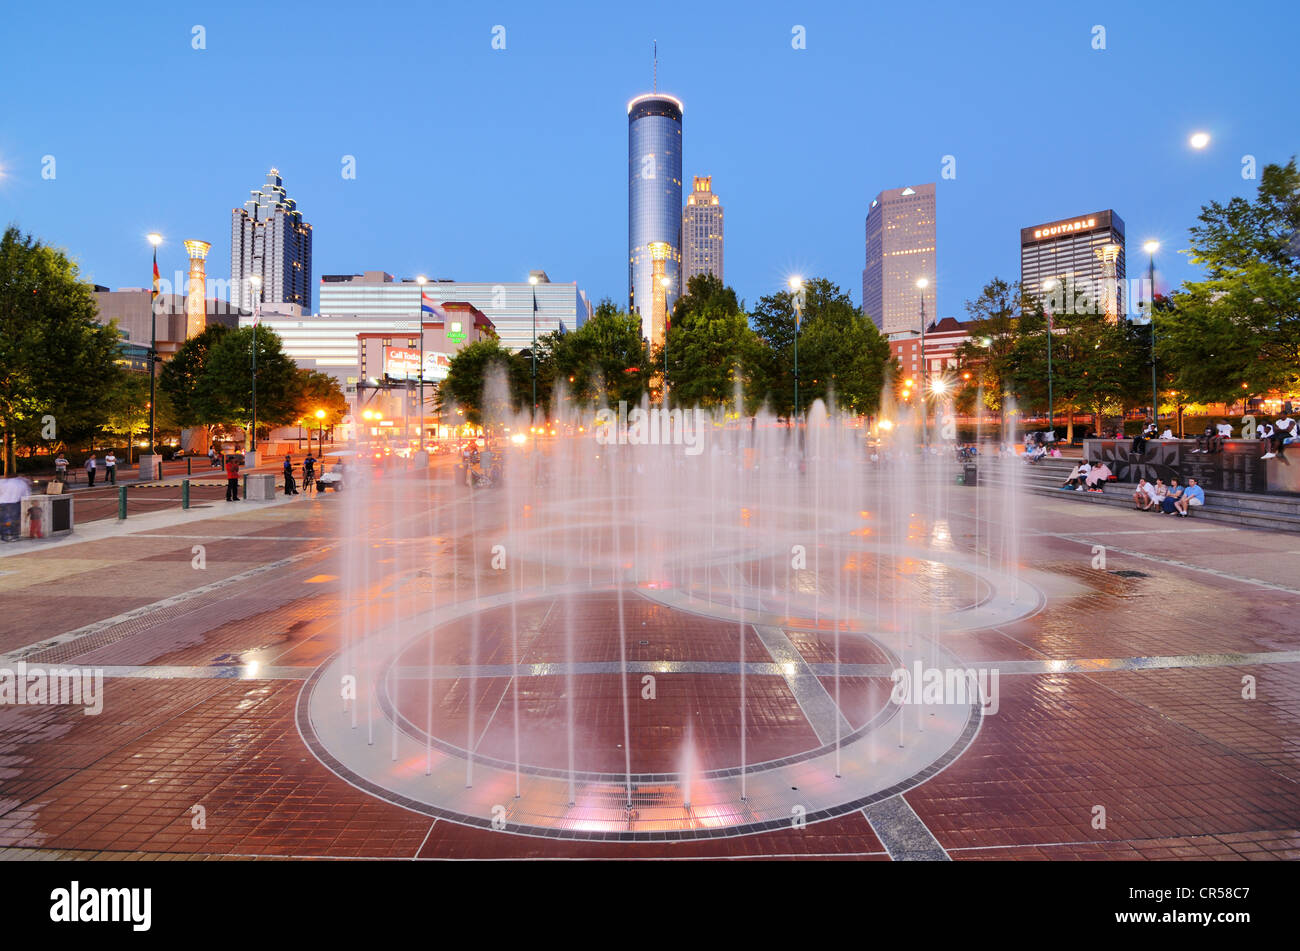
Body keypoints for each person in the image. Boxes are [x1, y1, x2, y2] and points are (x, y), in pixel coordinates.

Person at [0, 475, 30, 542]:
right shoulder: (21, 483)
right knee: (12, 521)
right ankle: (10, 535)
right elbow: (26, 495)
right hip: (14, 503)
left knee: (3, 520)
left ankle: (4, 535)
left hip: (2, 503)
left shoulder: (2, 482)